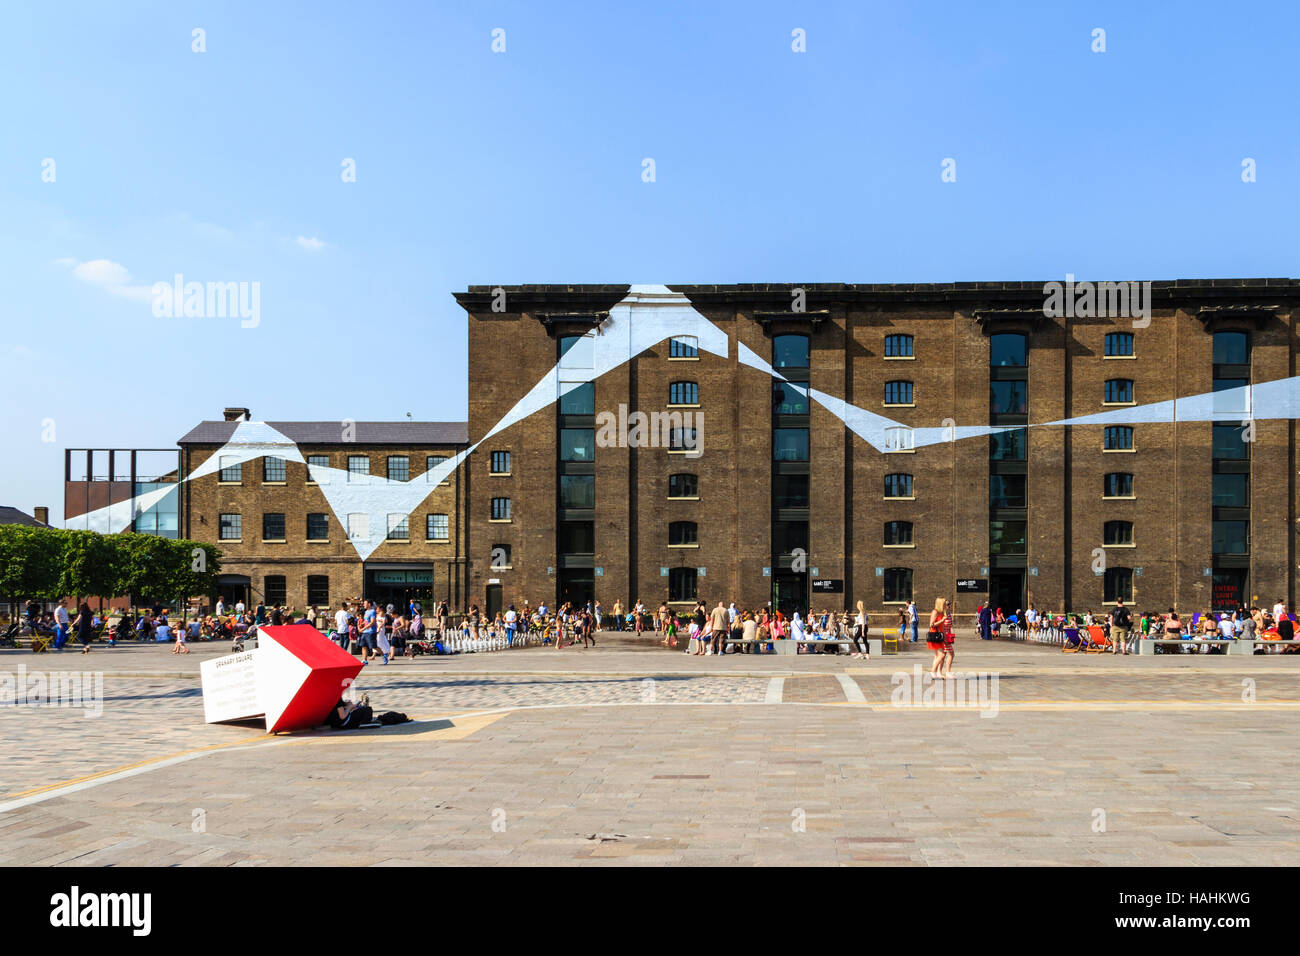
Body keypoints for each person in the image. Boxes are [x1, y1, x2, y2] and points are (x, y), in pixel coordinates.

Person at [927, 597, 949, 678]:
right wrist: (942, 620)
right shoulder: (935, 612)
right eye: (944, 603)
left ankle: (935, 673)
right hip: (934, 635)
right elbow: (931, 624)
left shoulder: (941, 613)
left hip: (940, 635)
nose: (945, 605)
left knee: (937, 655)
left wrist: (945, 636)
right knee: (942, 654)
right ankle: (933, 671)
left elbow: (942, 627)